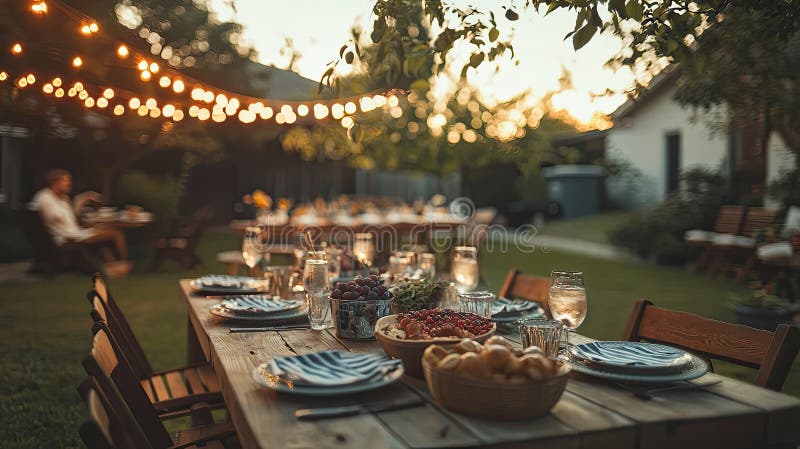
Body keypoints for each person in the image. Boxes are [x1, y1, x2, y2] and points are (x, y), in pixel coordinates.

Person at [30, 169, 131, 277]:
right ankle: (125, 263)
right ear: (55, 182)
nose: (69, 184)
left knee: (107, 228)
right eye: (65, 181)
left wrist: (80, 201)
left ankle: (113, 266)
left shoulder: (63, 198)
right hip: (68, 237)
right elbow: (57, 219)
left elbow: (69, 218)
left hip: (75, 233)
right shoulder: (45, 198)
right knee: (115, 233)